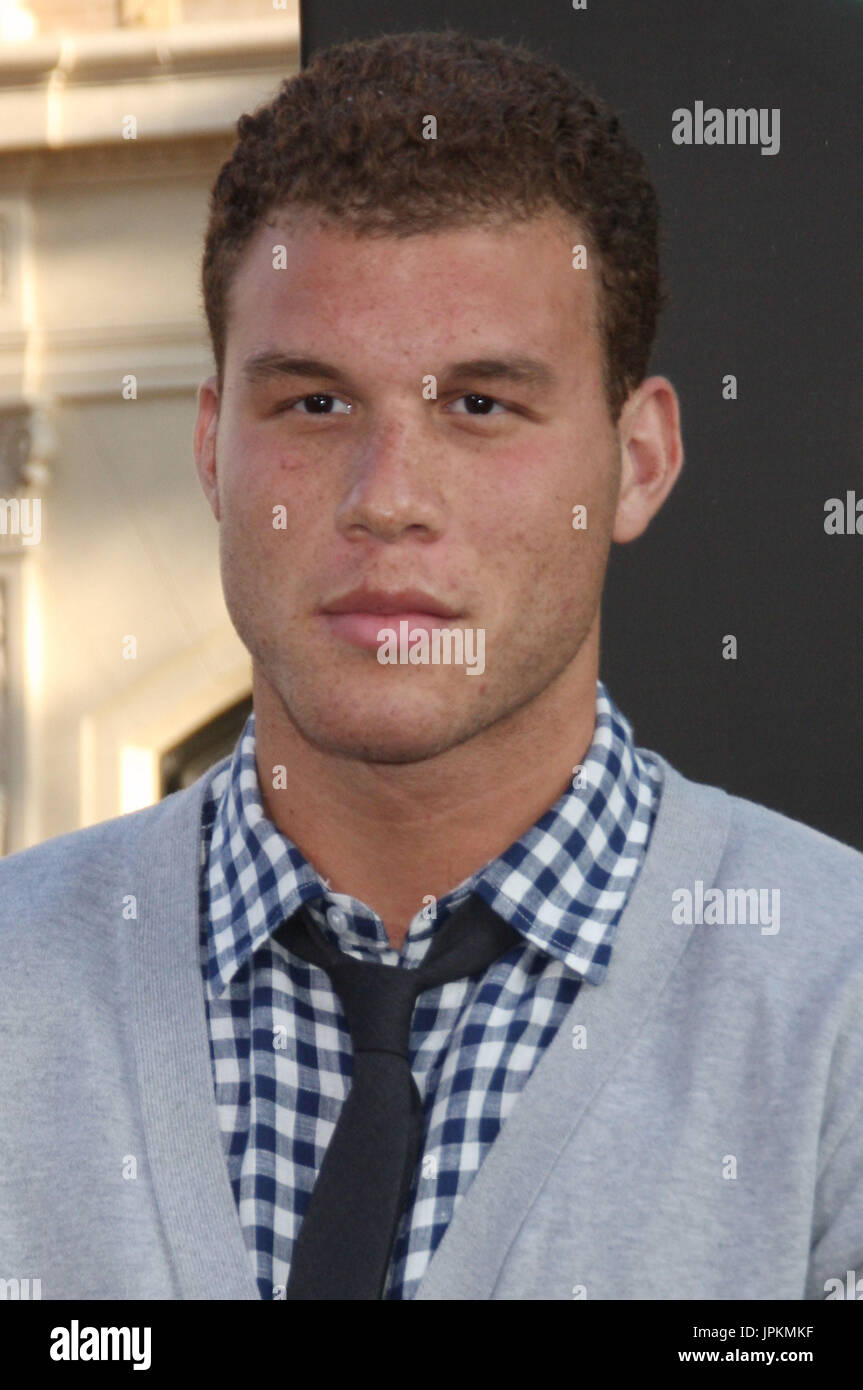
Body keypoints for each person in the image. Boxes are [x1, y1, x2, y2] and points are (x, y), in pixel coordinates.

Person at [1, 28, 861, 1303]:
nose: (385, 499)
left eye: (478, 404)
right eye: (312, 402)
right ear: (211, 444)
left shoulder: (837, 1006)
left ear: (637, 460)